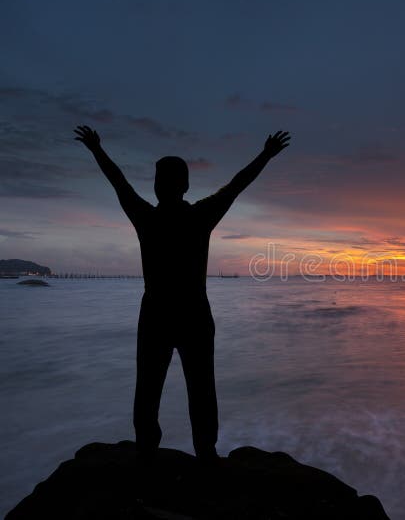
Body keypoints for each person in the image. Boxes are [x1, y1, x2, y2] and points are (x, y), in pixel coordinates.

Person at [74, 125, 290, 461]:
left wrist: (97, 149)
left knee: (153, 388)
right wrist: (266, 155)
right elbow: (236, 185)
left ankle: (152, 449)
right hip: (191, 315)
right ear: (185, 186)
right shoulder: (198, 215)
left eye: (161, 180)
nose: (160, 185)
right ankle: (202, 451)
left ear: (159, 186)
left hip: (159, 315)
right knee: (195, 389)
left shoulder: (148, 217)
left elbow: (119, 182)